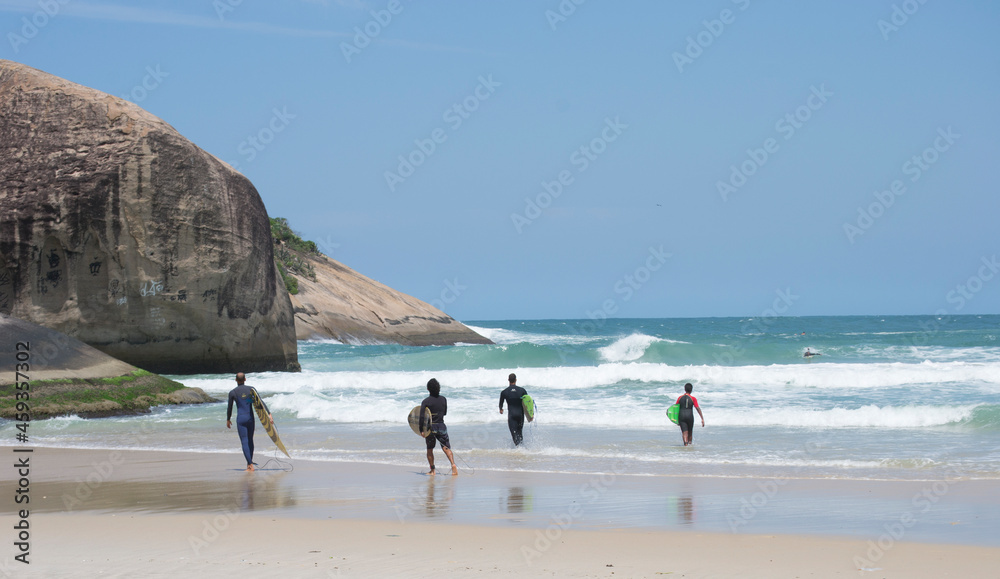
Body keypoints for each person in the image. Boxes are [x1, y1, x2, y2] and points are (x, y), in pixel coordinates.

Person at [226, 372, 271, 471]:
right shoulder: (251, 390)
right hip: (250, 418)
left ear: (236, 380)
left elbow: (229, 408)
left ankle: (250, 464)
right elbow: (260, 402)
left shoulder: (232, 392)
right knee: (250, 440)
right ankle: (249, 464)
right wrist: (269, 414)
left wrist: (228, 419)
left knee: (244, 441)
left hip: (241, 419)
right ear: (245, 379)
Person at [421, 378, 457, 476]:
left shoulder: (425, 401)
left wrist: (421, 430)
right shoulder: (443, 399)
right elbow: (444, 413)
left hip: (430, 428)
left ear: (428, 389)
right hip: (441, 426)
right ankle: (453, 465)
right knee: (446, 448)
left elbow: (421, 417)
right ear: (438, 388)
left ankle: (432, 470)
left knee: (429, 449)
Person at [499, 373, 528, 446]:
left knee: (514, 435)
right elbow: (528, 402)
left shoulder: (504, 392)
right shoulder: (522, 390)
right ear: (516, 380)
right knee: (520, 433)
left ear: (508, 380)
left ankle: (519, 450)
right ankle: (522, 451)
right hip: (520, 415)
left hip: (512, 416)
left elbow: (500, 404)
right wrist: (530, 415)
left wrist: (501, 409)